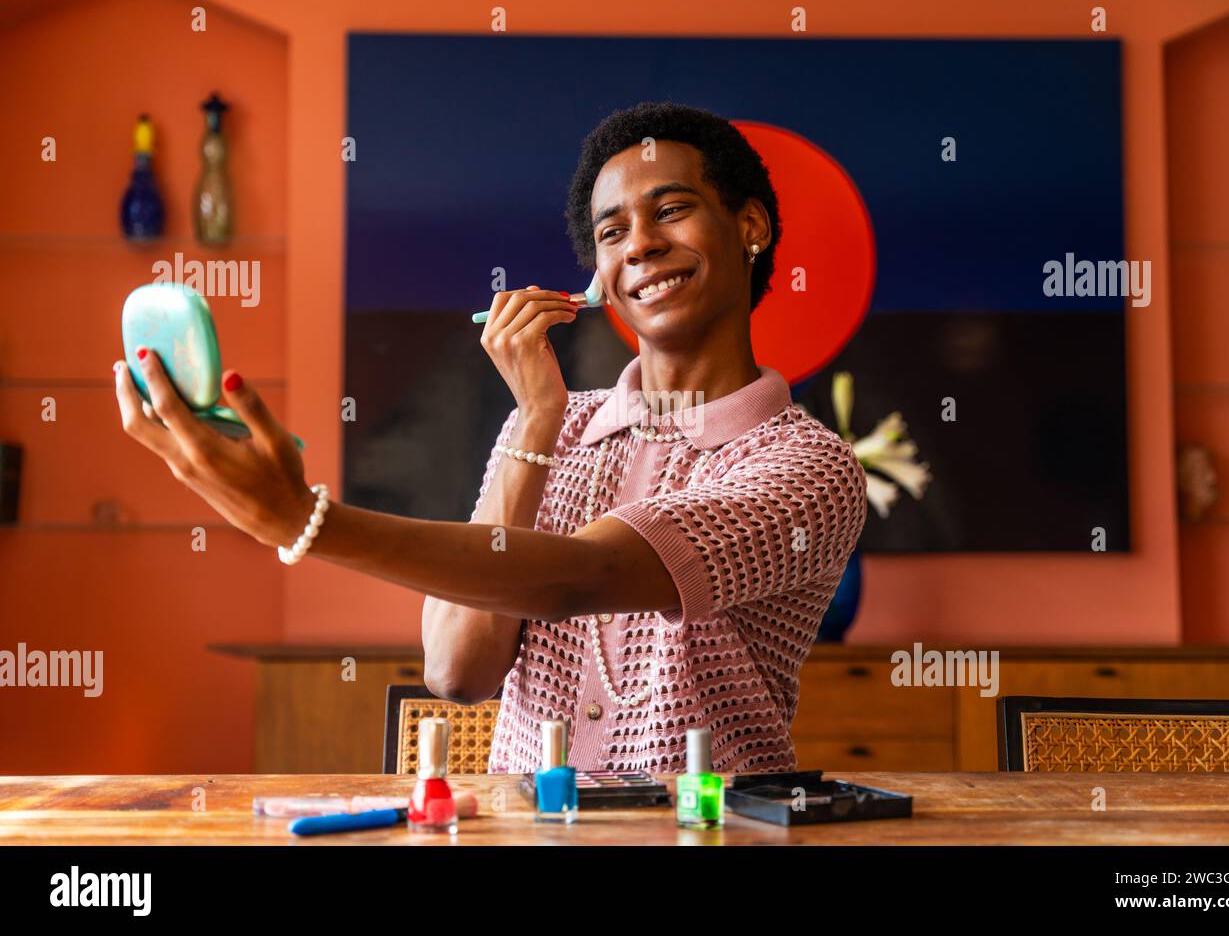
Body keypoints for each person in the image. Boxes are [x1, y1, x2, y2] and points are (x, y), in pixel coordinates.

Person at [114, 100, 868, 774]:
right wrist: (537, 420)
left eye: (670, 210)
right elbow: (456, 669)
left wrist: (305, 522)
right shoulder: (554, 424)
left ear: (751, 226)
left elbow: (590, 575)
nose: (638, 244)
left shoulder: (807, 465)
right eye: (612, 232)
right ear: (601, 274)